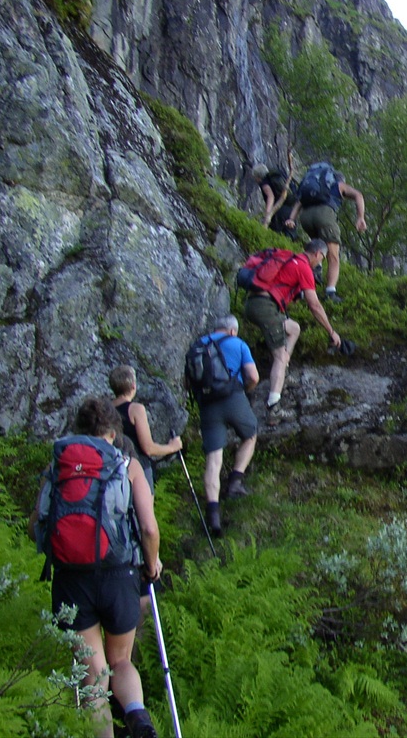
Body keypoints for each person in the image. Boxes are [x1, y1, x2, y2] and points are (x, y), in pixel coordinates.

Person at [29, 397, 162, 738]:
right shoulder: (128, 465)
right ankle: (138, 716)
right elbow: (149, 528)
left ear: (79, 430)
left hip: (72, 580)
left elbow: (36, 525)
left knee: (93, 674)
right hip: (119, 575)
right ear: (113, 433)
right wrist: (151, 565)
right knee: (121, 661)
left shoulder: (59, 466)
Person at [243, 239, 342, 426]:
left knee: (293, 328)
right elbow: (314, 305)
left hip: (253, 304)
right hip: (265, 308)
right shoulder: (304, 267)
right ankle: (273, 408)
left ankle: (283, 371)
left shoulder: (291, 259)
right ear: (317, 254)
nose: (320, 263)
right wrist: (331, 331)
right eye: (322, 258)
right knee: (280, 356)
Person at [192, 314, 259, 535]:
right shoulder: (238, 343)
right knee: (250, 434)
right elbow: (253, 377)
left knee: (213, 459)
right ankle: (235, 483)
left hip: (207, 404)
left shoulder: (198, 345)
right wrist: (244, 391)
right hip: (233, 397)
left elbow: (188, 382)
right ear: (232, 330)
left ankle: (213, 517)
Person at [285, 164, 367, 303]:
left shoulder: (314, 188)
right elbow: (358, 195)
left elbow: (299, 202)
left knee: (316, 252)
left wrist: (291, 219)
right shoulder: (339, 184)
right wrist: (360, 217)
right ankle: (330, 292)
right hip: (324, 216)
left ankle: (305, 286)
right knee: (333, 256)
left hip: (306, 218)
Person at [109, 365, 183, 492]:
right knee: (144, 504)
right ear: (133, 386)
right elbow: (148, 448)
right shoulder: (135, 409)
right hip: (138, 466)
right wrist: (172, 447)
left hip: (113, 465)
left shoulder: (105, 409)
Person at [251, 163, 297, 238]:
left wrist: (268, 214)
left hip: (278, 211)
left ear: (258, 176)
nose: (255, 179)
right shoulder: (276, 177)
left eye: (255, 177)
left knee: (276, 234)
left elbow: (270, 197)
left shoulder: (265, 183)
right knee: (290, 234)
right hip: (290, 210)